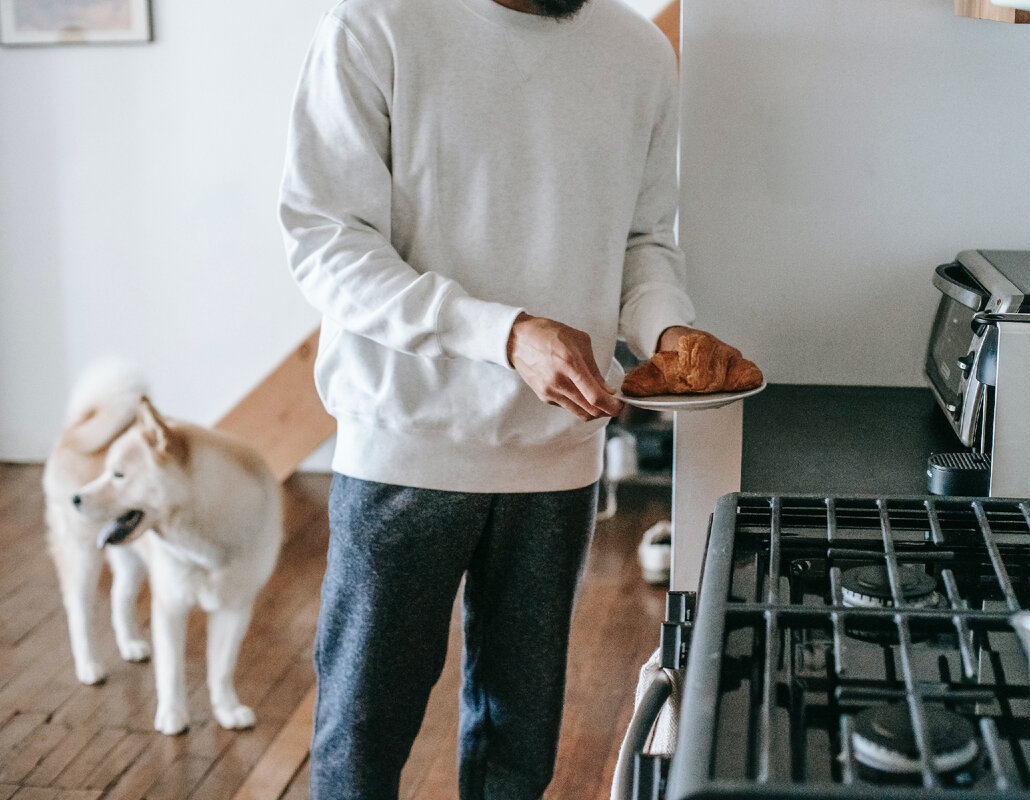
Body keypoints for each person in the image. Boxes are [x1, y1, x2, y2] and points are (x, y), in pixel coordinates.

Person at [279, 0, 737, 795]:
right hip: (404, 451)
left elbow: (642, 241)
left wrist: (669, 331)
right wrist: (504, 333)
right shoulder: (375, 24)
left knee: (517, 746)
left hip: (557, 461)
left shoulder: (636, 52)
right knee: (362, 735)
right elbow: (326, 242)